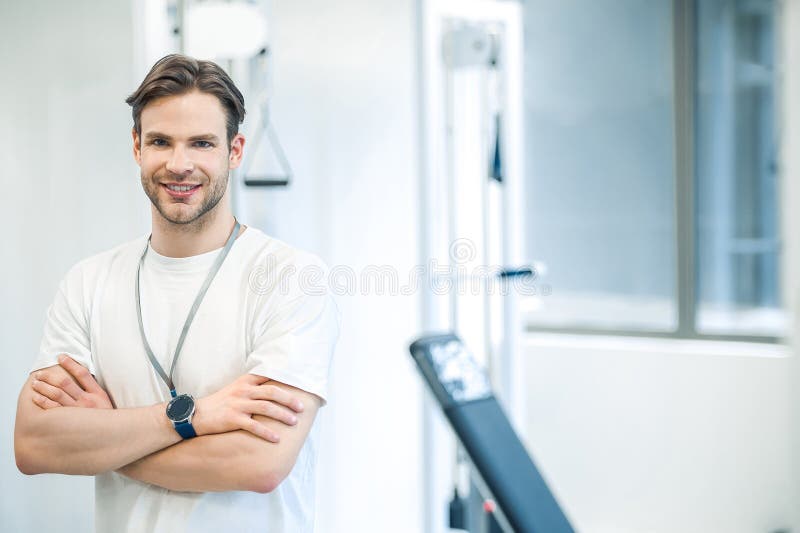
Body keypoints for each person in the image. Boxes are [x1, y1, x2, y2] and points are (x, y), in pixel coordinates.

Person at [13, 54, 340, 533]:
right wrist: (194, 417)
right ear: (136, 147)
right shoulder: (88, 283)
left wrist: (109, 440)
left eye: (202, 143)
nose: (179, 164)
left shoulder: (291, 279)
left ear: (234, 150)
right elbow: (35, 443)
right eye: (161, 142)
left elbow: (260, 462)